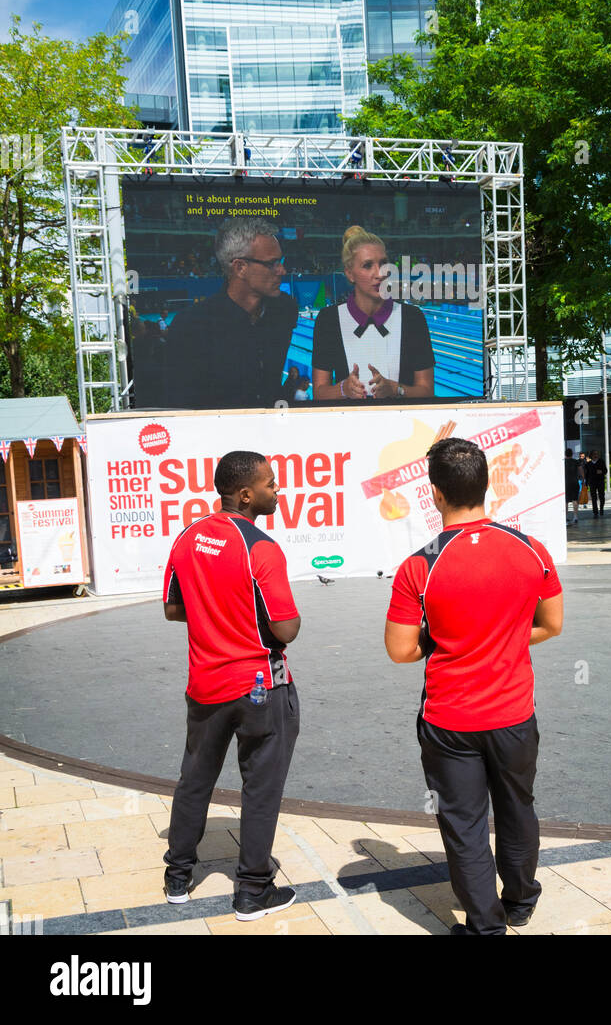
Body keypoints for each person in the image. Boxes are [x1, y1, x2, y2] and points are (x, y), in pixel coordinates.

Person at [385, 438, 563, 936]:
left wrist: (443, 639)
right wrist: (502, 635)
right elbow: (552, 625)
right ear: (486, 487)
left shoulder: (418, 566)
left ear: (435, 494)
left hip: (450, 720)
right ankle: (522, 900)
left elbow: (401, 651)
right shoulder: (530, 549)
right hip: (513, 714)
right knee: (517, 806)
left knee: (463, 825)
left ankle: (486, 926)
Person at [162, 451, 301, 921]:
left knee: (194, 779)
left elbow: (173, 610)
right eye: (271, 483)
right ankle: (252, 892)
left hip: (204, 686)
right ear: (246, 494)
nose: (277, 490)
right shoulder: (261, 547)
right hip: (261, 687)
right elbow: (286, 628)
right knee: (260, 789)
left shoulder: (187, 538)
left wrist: (214, 614)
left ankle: (177, 877)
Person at [161, 219, 299, 410]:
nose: (282, 270)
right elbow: (179, 403)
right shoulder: (192, 325)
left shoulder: (286, 310)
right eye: (272, 264)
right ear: (240, 268)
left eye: (281, 261)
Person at [312, 225, 435, 401]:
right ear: (349, 273)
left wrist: (395, 389)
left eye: (384, 263)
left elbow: (427, 391)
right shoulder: (328, 320)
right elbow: (319, 392)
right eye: (368, 265)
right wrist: (343, 389)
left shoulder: (412, 318)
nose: (380, 274)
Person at [588, 450, 607, 518]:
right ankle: (595, 512)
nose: (596, 455)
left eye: (597, 454)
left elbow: (605, 470)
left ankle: (601, 509)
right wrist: (587, 483)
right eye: (594, 454)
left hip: (600, 481)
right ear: (591, 456)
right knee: (593, 497)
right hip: (592, 482)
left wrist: (601, 471)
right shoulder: (589, 464)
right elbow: (587, 474)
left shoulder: (601, 461)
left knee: (602, 496)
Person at [564, 449, 581, 526]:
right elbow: (581, 470)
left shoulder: (563, 462)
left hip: (566, 484)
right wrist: (583, 479)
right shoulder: (576, 461)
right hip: (574, 482)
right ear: (572, 454)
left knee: (566, 501)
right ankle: (575, 517)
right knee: (575, 500)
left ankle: (565, 518)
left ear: (565, 454)